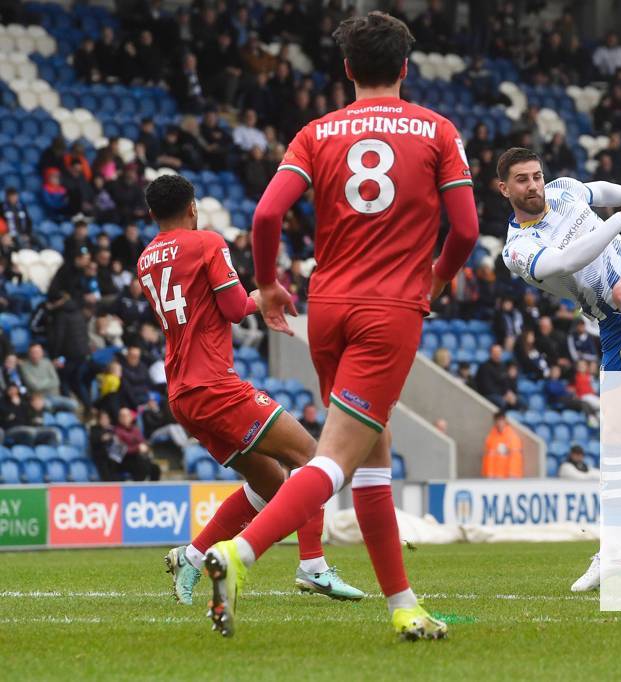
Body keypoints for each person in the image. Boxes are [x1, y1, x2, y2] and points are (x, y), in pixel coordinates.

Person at [208, 12, 478, 641]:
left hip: (327, 308)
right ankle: (238, 556)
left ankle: (404, 606)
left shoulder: (316, 132)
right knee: (334, 460)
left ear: (349, 69)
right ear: (405, 68)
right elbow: (465, 230)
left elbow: (267, 213)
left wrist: (270, 283)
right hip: (390, 310)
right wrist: (437, 277)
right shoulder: (437, 130)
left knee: (372, 459)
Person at [137, 175, 363, 610]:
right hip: (214, 383)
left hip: (181, 393)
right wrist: (266, 295)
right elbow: (234, 309)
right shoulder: (206, 242)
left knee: (269, 482)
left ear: (152, 215)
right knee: (312, 457)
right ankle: (313, 566)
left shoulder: (146, 260)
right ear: (193, 207)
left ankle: (193, 555)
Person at [494, 146, 621, 592]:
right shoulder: (517, 248)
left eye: (537, 176)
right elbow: (564, 262)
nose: (534, 185)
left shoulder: (562, 191)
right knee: (615, 443)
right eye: (522, 180)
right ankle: (613, 551)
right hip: (614, 329)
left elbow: (599, 190)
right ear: (504, 189)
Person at [481, 410, 523, 478]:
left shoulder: (512, 437)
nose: (499, 422)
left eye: (501, 420)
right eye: (497, 420)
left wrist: (513, 475)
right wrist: (488, 474)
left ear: (505, 421)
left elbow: (515, 458)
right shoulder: (491, 437)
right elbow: (488, 457)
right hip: (494, 476)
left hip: (507, 477)